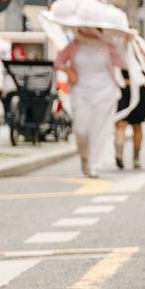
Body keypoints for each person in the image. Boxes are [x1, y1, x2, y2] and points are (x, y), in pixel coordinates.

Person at [54, 28, 125, 178]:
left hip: (104, 90)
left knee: (98, 129)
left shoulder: (107, 44)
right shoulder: (74, 44)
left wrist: (123, 43)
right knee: (81, 130)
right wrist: (68, 71)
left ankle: (94, 163)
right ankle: (84, 157)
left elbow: (122, 62)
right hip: (80, 90)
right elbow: (58, 61)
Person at [114, 67, 145, 170]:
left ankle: (136, 157)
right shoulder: (117, 53)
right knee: (120, 123)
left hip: (139, 91)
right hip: (122, 91)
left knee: (137, 125)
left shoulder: (141, 53)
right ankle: (119, 154)